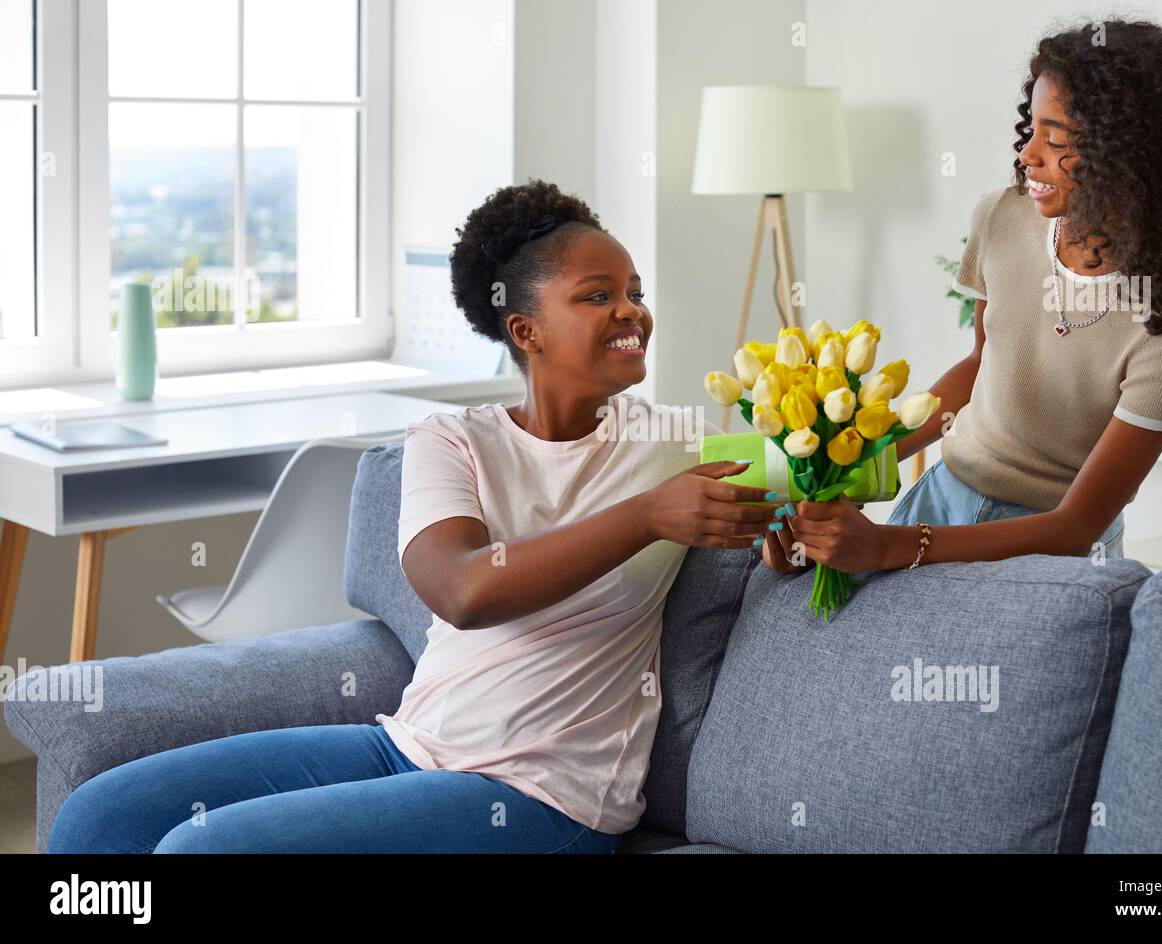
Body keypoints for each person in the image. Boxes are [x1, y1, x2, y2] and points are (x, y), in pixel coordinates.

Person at [47, 180, 783, 854]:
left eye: (634, 291)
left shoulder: (679, 442)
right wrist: (648, 517)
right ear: (526, 331)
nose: (632, 312)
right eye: (598, 296)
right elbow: (463, 590)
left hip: (548, 796)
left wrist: (844, 533)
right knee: (100, 814)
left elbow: (844, 463)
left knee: (199, 851)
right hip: (411, 744)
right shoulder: (451, 441)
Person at [763, 18, 1162, 578]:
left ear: (1134, 161)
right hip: (939, 502)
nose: (1027, 155)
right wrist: (846, 469)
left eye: (1056, 138)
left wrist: (893, 547)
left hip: (1045, 550)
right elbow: (977, 364)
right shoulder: (1002, 218)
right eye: (1031, 129)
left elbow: (1076, 527)